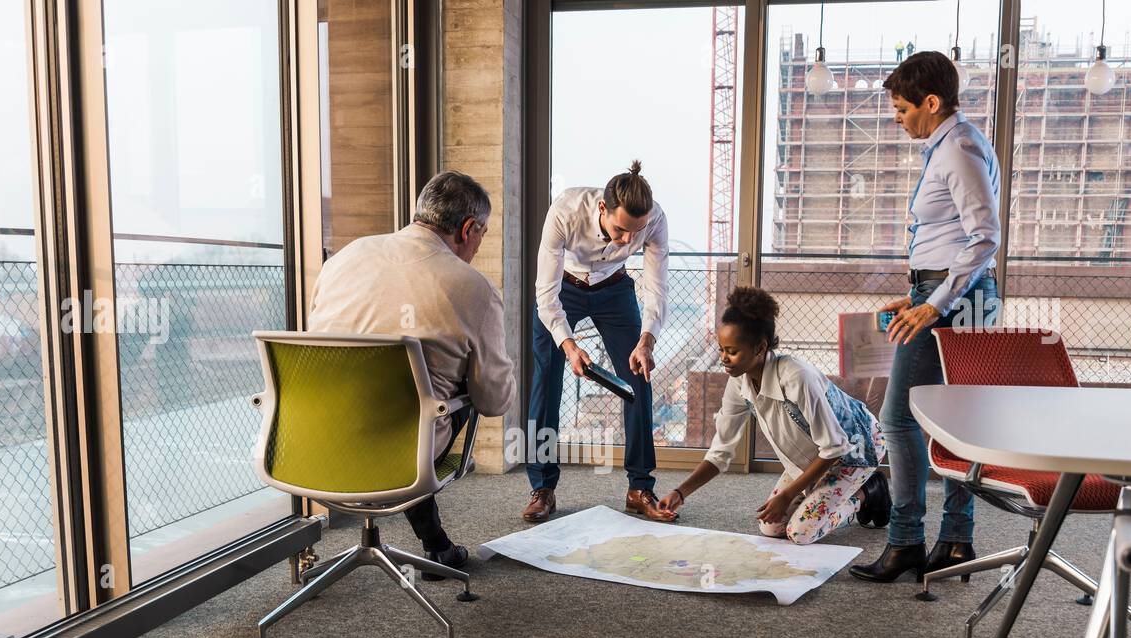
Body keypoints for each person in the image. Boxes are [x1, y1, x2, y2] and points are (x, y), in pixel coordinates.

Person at [308, 170, 515, 577]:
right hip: (403, 453)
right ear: (468, 228)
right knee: (441, 397)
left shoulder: (345, 258)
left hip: (314, 446)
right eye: (482, 234)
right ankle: (436, 546)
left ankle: (435, 544)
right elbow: (494, 400)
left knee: (415, 396)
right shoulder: (473, 287)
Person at [850, 51, 1001, 583]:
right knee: (955, 421)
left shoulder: (957, 150)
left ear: (931, 103)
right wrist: (914, 293)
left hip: (955, 298)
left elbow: (985, 237)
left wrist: (933, 302)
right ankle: (956, 540)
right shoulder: (953, 145)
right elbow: (952, 237)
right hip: (948, 292)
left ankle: (906, 540)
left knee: (898, 416)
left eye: (901, 107)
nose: (896, 117)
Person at [660, 287, 890, 544]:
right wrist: (680, 493)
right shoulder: (739, 382)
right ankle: (824, 491)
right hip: (814, 456)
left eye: (732, 351)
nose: (724, 358)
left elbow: (835, 447)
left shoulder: (796, 377)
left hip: (856, 449)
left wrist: (787, 495)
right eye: (721, 349)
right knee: (772, 527)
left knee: (801, 533)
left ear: (760, 348)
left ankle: (867, 494)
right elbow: (720, 453)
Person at [523, 161, 676, 524]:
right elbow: (545, 295)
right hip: (565, 288)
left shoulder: (654, 220)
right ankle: (542, 487)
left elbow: (656, 288)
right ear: (602, 209)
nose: (627, 240)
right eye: (621, 230)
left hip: (614, 290)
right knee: (546, 382)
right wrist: (569, 345)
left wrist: (647, 341)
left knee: (639, 376)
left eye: (633, 234)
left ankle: (639, 487)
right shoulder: (565, 210)